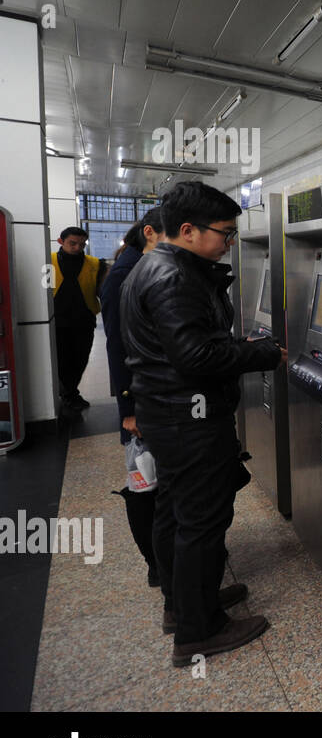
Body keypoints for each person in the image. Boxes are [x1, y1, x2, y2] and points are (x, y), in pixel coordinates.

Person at [120, 182, 285, 667]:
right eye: (225, 234)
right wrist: (260, 353)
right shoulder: (172, 276)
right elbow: (195, 354)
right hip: (188, 418)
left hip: (168, 412)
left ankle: (184, 603)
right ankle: (199, 631)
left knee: (176, 511)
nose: (229, 243)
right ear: (187, 230)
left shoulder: (154, 266)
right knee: (202, 521)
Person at [100, 209, 164, 588]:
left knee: (151, 481)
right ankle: (158, 565)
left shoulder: (133, 267)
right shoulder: (126, 276)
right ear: (149, 233)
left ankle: (164, 565)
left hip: (144, 398)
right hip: (140, 403)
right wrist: (128, 410)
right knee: (145, 485)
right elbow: (117, 346)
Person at [51, 226, 105, 410]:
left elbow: (101, 291)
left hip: (84, 321)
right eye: (72, 243)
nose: (77, 248)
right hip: (56, 322)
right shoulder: (48, 262)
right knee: (60, 359)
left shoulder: (95, 264)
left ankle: (70, 391)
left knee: (80, 358)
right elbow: (43, 291)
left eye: (81, 244)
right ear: (61, 241)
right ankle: (68, 393)